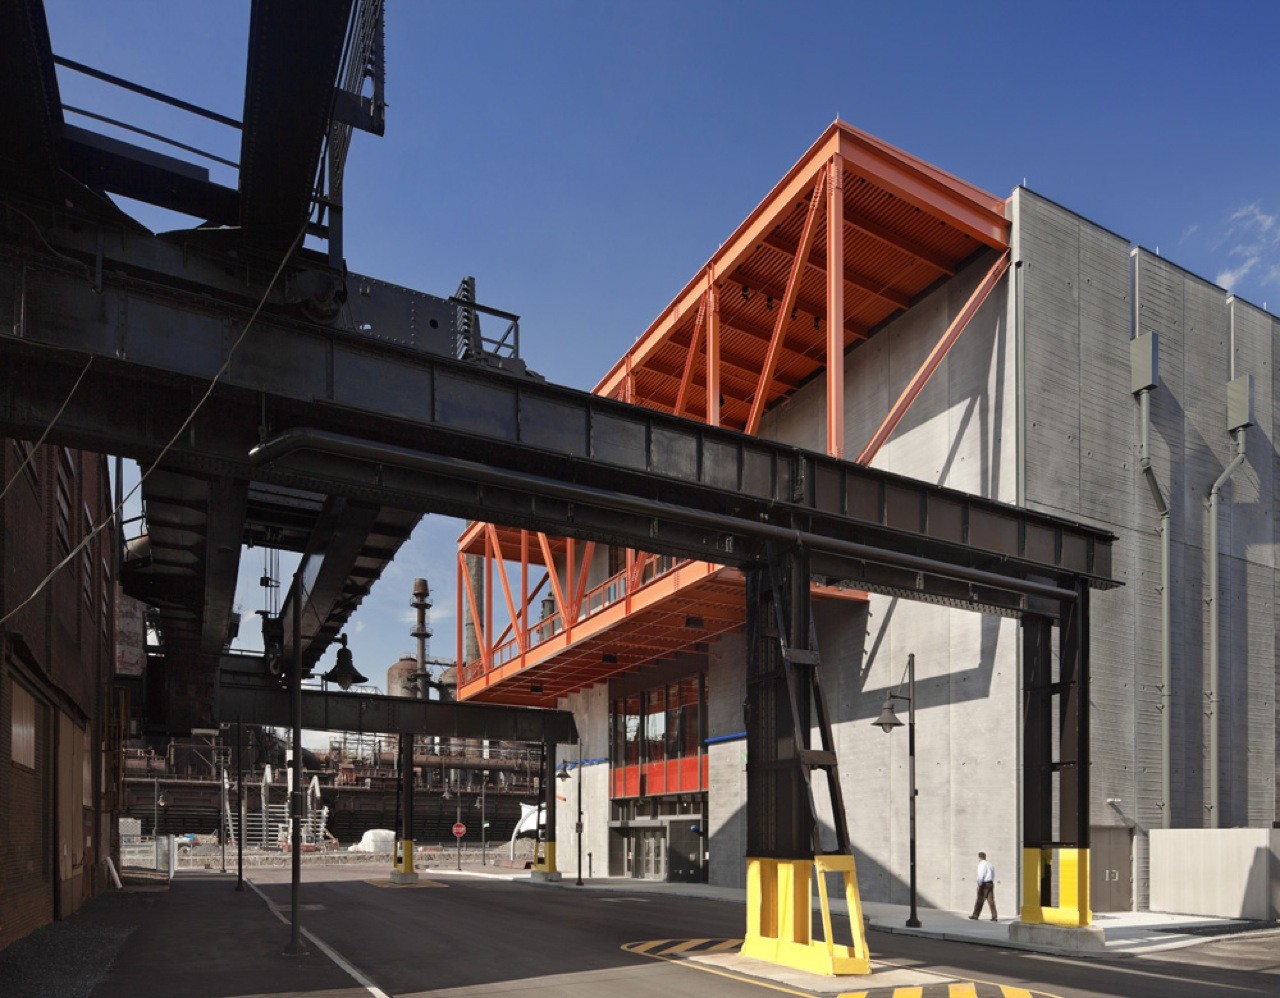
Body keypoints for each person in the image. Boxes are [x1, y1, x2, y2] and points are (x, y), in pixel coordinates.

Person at [969, 851, 997, 921]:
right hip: (990, 883)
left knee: (979, 900)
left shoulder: (981, 864)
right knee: (991, 901)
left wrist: (979, 884)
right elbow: (993, 874)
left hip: (984, 884)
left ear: (979, 857)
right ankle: (994, 916)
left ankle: (975, 915)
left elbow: (981, 875)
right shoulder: (990, 864)